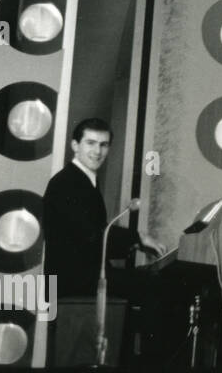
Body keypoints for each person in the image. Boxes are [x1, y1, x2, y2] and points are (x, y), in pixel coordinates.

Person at [43, 118, 163, 298]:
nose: (98, 151)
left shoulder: (84, 179)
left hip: (81, 279)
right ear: (75, 145)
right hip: (72, 284)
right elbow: (89, 234)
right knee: (154, 286)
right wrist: (138, 238)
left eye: (104, 145)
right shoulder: (65, 182)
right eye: (90, 143)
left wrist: (136, 242)